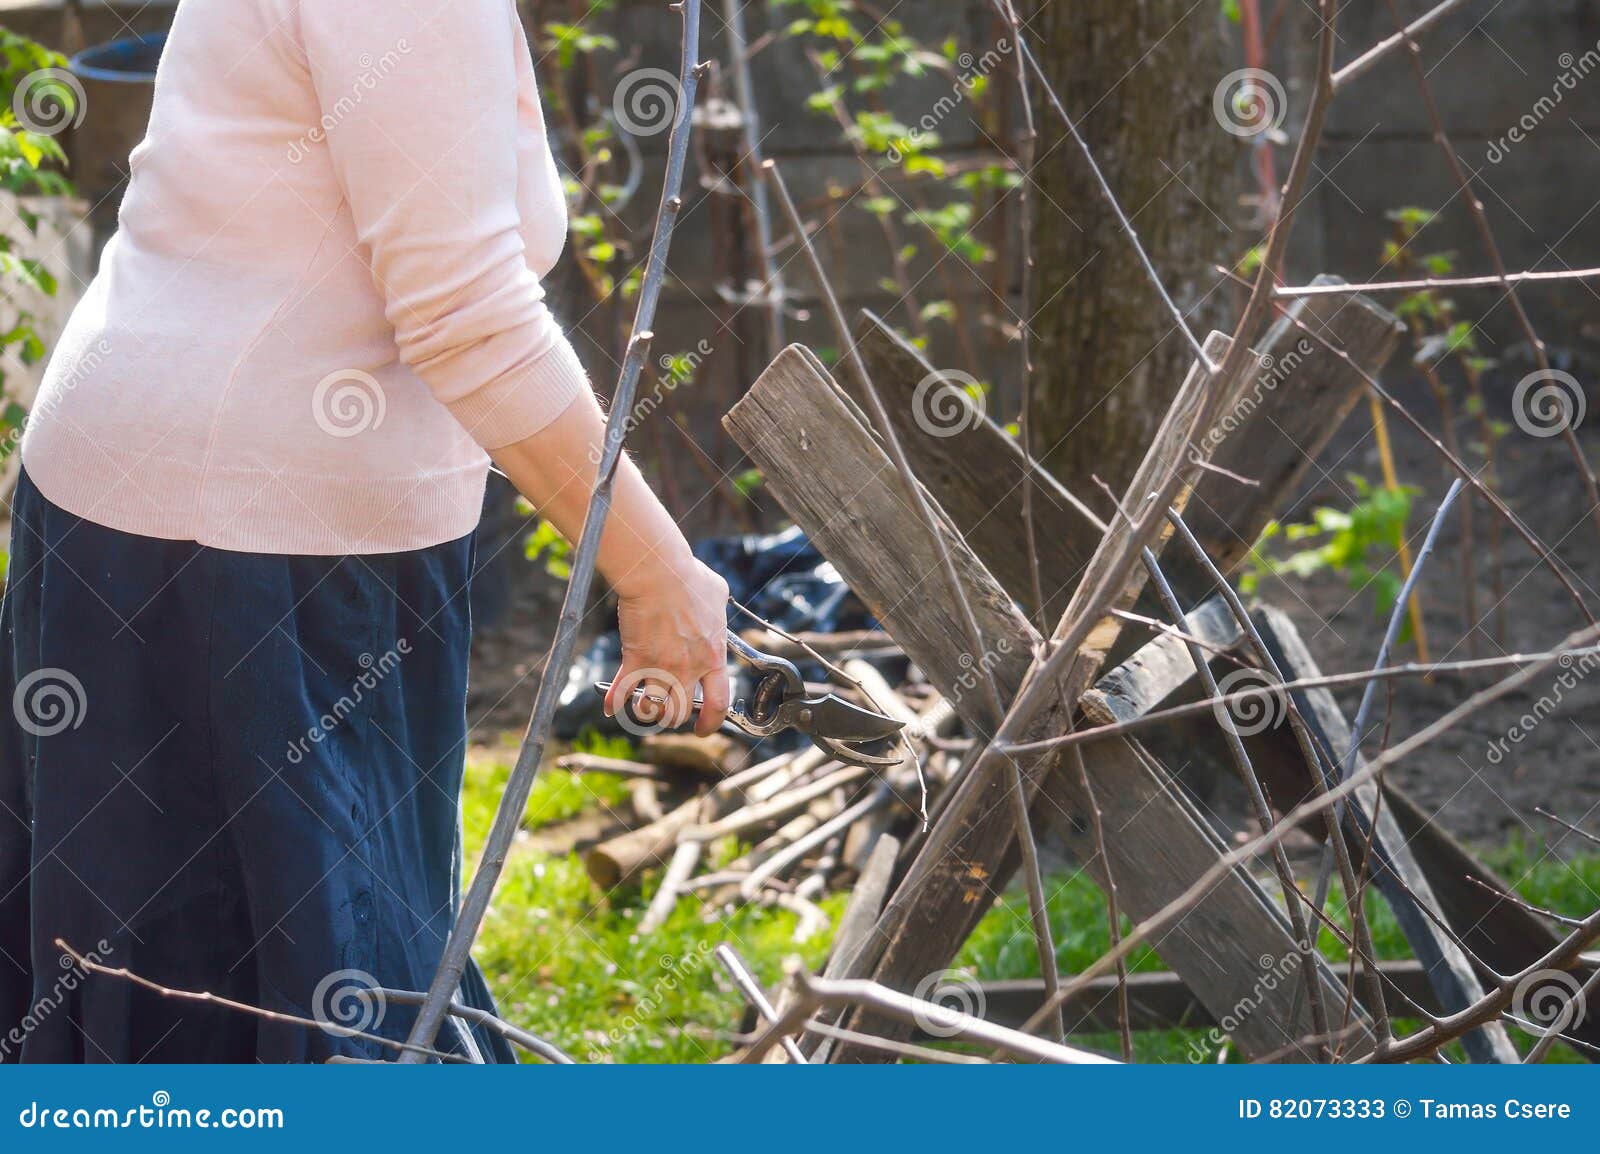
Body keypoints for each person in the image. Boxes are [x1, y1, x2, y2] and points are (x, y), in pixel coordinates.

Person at [0, 0, 729, 1063]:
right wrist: (654, 568)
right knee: (274, 1018)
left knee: (274, 1002)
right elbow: (467, 311)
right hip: (229, 550)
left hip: (238, 524)